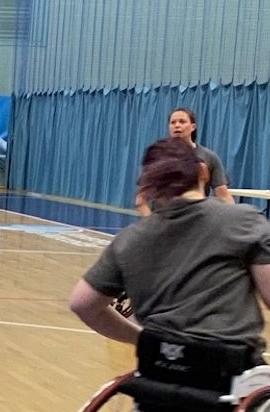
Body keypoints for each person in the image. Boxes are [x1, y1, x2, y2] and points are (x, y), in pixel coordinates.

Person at [71, 137, 270, 351]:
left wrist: (142, 339)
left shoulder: (128, 240)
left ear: (149, 187)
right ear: (202, 173)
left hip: (160, 363)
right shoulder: (246, 221)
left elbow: (82, 304)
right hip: (232, 363)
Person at [136, 108, 235, 214]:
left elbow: (223, 195)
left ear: (193, 127)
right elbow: (141, 199)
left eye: (182, 122)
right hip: (164, 217)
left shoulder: (209, 157)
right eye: (173, 122)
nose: (177, 125)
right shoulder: (158, 156)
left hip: (197, 217)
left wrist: (232, 217)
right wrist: (151, 220)